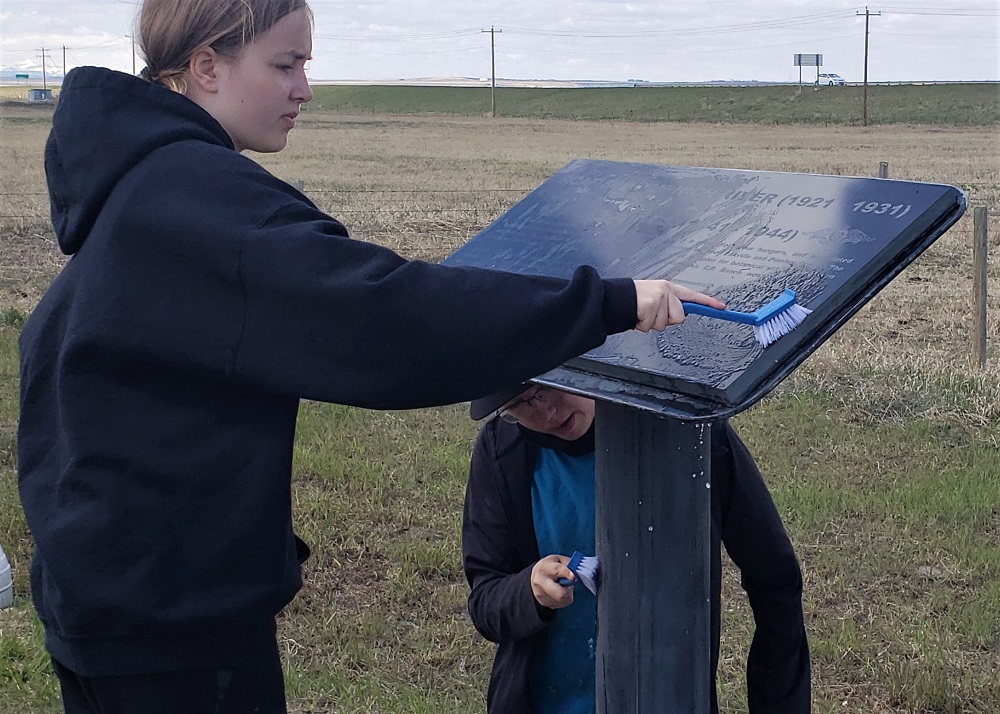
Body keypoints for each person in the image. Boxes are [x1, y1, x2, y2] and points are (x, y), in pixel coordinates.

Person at [16, 1, 726, 712]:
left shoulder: (139, 187)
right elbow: (389, 320)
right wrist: (608, 303)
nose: (304, 89)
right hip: (170, 626)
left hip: (107, 595)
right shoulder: (197, 198)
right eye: (285, 64)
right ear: (207, 66)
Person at [462, 383, 811, 714]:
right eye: (520, 405)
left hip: (666, 698)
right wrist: (528, 591)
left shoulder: (685, 428)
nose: (546, 411)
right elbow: (486, 601)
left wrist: (779, 702)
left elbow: (775, 578)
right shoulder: (501, 452)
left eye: (546, 390)